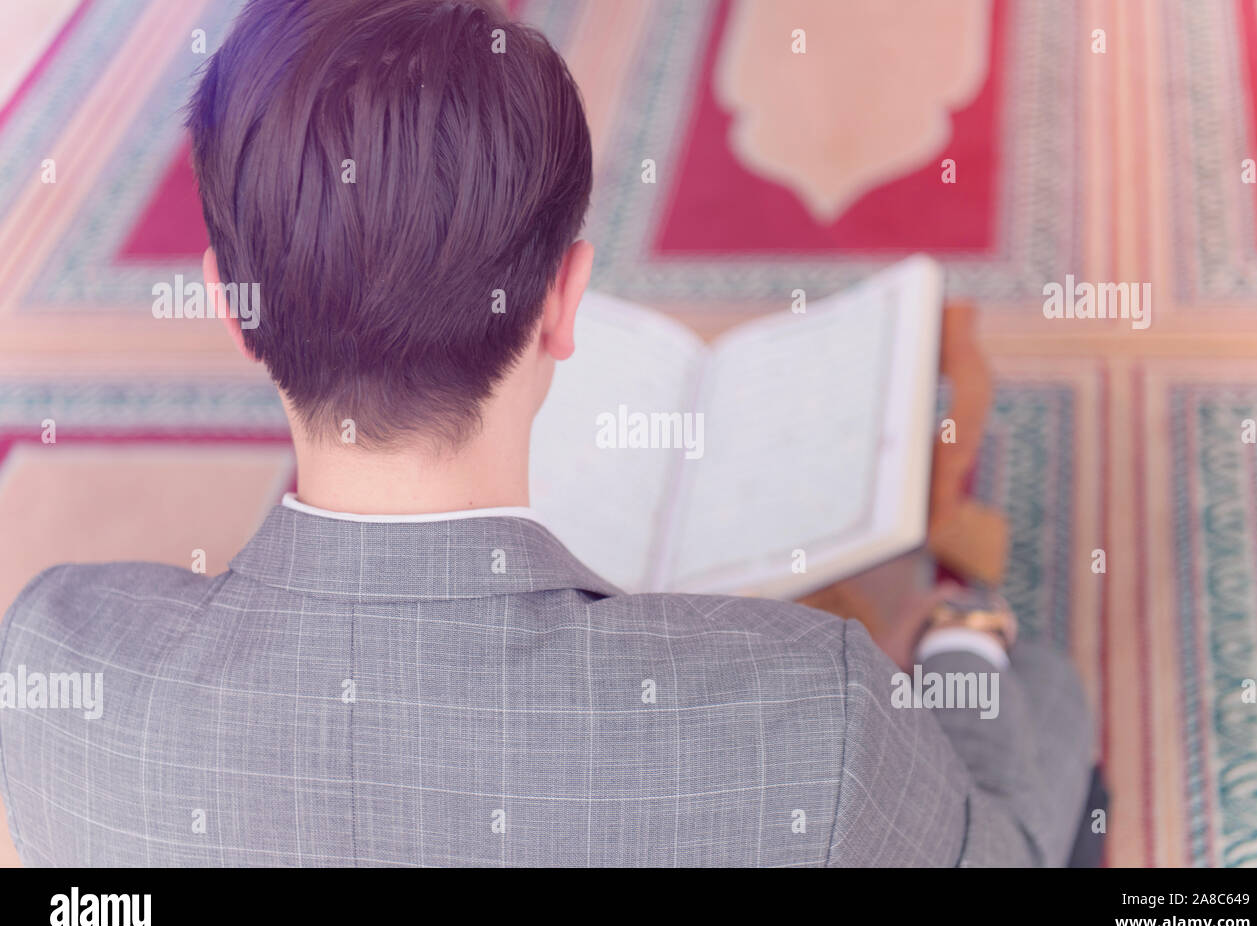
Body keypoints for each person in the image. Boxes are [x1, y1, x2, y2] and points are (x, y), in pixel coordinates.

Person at [0, 0, 1093, 867]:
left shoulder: (52, 661)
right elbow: (1011, 844)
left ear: (232, 307)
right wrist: (966, 637)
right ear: (564, 303)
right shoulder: (816, 716)